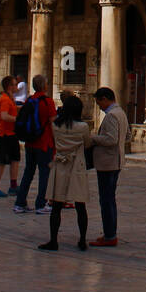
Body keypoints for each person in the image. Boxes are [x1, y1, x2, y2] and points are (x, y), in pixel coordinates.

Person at [37, 92, 93, 252]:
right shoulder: (83, 127)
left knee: (57, 205)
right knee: (80, 205)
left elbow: (56, 141)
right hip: (77, 166)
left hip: (60, 165)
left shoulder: (56, 125)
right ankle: (82, 240)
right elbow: (88, 143)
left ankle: (53, 240)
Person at [90, 86, 129, 247]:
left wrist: (94, 138)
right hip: (117, 161)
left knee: (106, 200)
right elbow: (127, 136)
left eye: (99, 102)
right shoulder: (121, 113)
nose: (99, 106)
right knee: (109, 199)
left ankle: (110, 235)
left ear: (105, 99)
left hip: (108, 163)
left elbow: (111, 139)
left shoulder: (112, 116)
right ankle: (109, 233)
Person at [13, 75, 56, 215]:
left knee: (28, 173)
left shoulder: (30, 100)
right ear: (44, 86)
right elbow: (52, 123)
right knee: (45, 173)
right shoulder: (48, 101)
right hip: (44, 143)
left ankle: (20, 203)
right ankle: (41, 204)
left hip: (30, 142)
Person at [0, 76, 20, 197]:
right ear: (9, 87)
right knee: (2, 161)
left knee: (15, 160)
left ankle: (13, 186)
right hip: (3, 135)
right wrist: (18, 119)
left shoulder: (10, 98)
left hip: (11, 134)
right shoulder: (5, 99)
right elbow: (4, 116)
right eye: (15, 84)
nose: (17, 87)